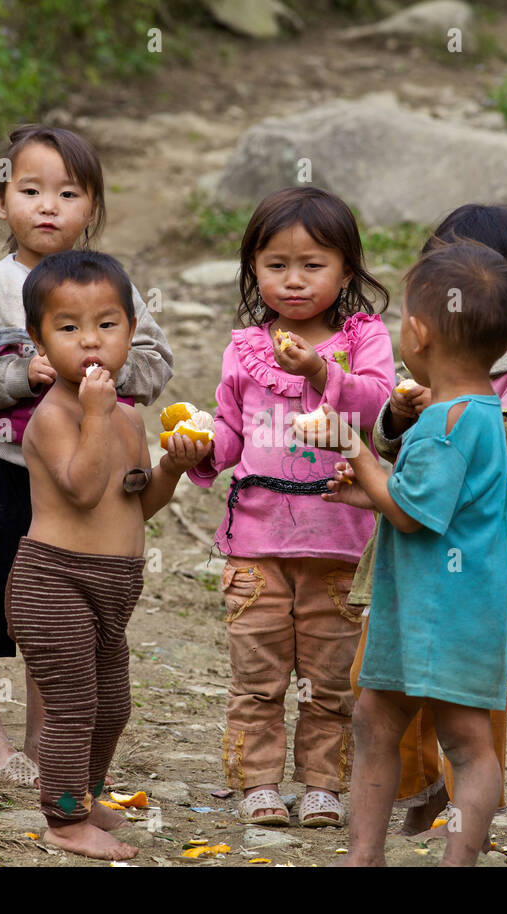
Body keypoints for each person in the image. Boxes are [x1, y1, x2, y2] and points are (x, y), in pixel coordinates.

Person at [0, 124, 173, 786]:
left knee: (54, 615)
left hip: (79, 486)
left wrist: (107, 374)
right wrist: (16, 377)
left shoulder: (106, 286)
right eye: (29, 190)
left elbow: (154, 362)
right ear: (3, 203)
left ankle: (43, 745)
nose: (48, 206)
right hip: (0, 474)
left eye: (68, 192)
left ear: (92, 208)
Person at [347, 204, 507, 833]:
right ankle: (424, 804)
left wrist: (358, 456)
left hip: (445, 581)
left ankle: (453, 820)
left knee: (447, 721)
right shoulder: (463, 398)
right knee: (410, 710)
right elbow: (419, 483)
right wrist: (388, 438)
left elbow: (418, 507)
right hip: (454, 579)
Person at [188, 186, 394, 827]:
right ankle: (257, 784)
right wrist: (193, 447)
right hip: (257, 547)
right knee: (258, 676)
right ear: (253, 267)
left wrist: (318, 374)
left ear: (347, 270)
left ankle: (324, 786)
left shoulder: (363, 339)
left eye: (314, 265)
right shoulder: (245, 347)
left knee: (332, 681)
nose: (294, 280)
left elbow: (379, 409)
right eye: (276, 265)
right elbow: (230, 431)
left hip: (340, 543)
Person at [312, 241, 507, 866]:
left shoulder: (443, 423)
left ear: (420, 332)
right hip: (445, 615)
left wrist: (357, 451)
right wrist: (370, 494)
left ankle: (435, 858)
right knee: (388, 723)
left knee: (457, 743)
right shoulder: (480, 413)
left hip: (438, 617)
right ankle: (367, 854)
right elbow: (427, 504)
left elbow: (409, 511)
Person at [6, 250, 206, 860]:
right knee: (73, 705)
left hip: (113, 587)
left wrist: (171, 465)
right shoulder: (57, 417)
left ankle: (86, 794)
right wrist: (95, 414)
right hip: (53, 581)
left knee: (113, 705)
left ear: (132, 332)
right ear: (38, 343)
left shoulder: (125, 419)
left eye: (107, 325)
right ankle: (62, 819)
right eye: (68, 328)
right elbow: (84, 488)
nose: (90, 341)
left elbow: (132, 503)